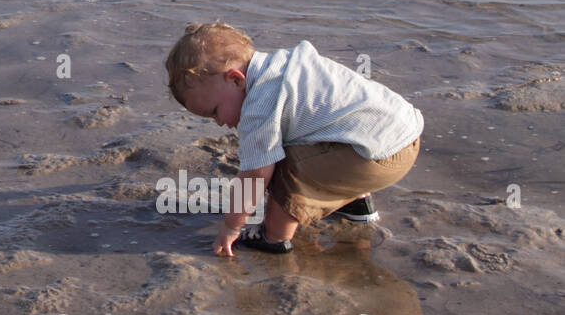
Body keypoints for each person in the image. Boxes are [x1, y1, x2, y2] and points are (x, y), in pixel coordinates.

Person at [164, 22, 423, 256]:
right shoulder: (288, 65)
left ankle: (275, 238)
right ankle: (357, 205)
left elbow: (254, 176)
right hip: (404, 140)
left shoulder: (259, 105)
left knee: (283, 169)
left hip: (371, 158)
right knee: (320, 141)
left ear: (235, 79)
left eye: (215, 111)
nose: (219, 122)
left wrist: (232, 225)